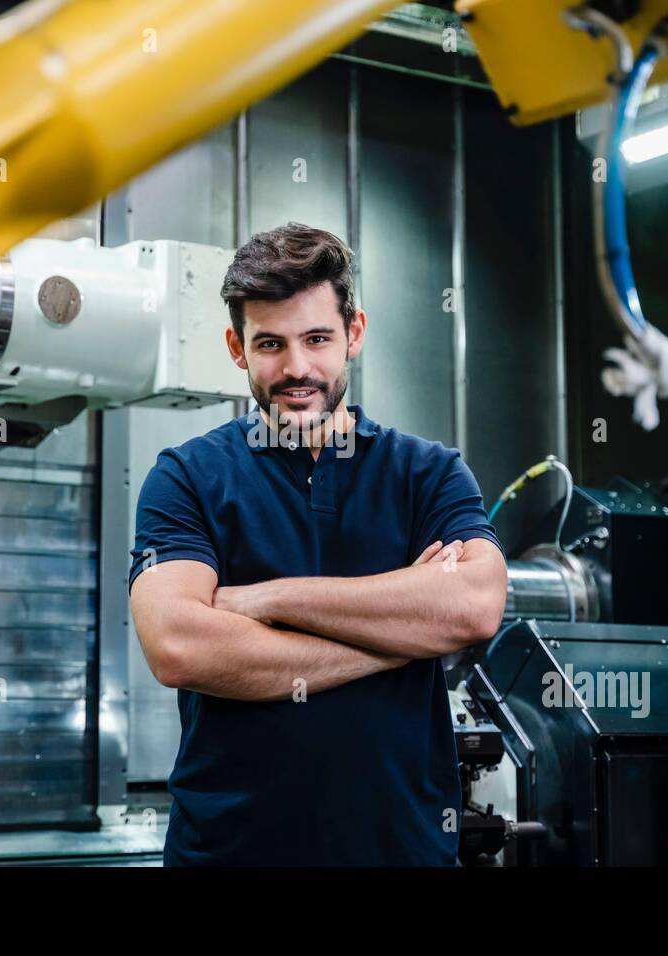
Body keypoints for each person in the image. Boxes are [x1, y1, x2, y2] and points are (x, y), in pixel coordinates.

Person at [128, 221, 508, 865]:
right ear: (236, 346)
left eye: (317, 339)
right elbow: (179, 646)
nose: (297, 367)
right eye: (270, 343)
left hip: (400, 852)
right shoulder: (186, 477)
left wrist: (267, 599)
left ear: (353, 334)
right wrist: (398, 643)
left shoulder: (428, 473)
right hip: (229, 856)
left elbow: (474, 608)